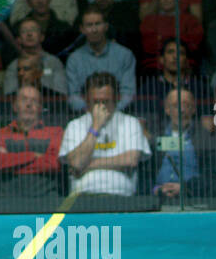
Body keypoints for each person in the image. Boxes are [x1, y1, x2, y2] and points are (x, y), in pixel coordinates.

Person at [59, 72, 150, 200]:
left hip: (122, 196)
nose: (101, 106)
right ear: (86, 100)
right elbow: (75, 163)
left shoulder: (131, 122)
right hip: (82, 196)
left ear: (117, 99)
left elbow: (131, 160)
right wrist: (95, 127)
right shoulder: (74, 126)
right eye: (96, 102)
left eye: (106, 101)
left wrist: (88, 165)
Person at [0, 85, 62, 204]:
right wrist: (34, 156)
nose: (29, 104)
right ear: (15, 106)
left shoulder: (55, 132)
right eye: (24, 99)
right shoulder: (2, 133)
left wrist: (11, 163)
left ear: (40, 108)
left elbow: (53, 163)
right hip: (5, 202)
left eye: (34, 101)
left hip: (46, 200)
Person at [65, 6, 137, 112]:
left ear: (106, 26)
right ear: (82, 29)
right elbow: (73, 97)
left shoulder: (125, 55)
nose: (94, 29)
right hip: (85, 117)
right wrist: (92, 113)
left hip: (118, 116)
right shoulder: (74, 59)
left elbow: (128, 94)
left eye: (97, 24)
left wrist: (111, 112)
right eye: (89, 25)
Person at [151, 88, 202, 203]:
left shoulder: (204, 137)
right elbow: (145, 174)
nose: (182, 110)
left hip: (192, 199)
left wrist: (186, 187)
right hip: (159, 200)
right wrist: (157, 189)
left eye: (187, 105)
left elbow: (213, 176)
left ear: (194, 109)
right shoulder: (157, 136)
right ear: (167, 110)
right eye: (175, 106)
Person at [3, 16, 67, 98]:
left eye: (33, 30)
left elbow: (62, 95)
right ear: (18, 39)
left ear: (42, 37)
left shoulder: (54, 62)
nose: (29, 34)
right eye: (24, 31)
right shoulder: (13, 66)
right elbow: (9, 97)